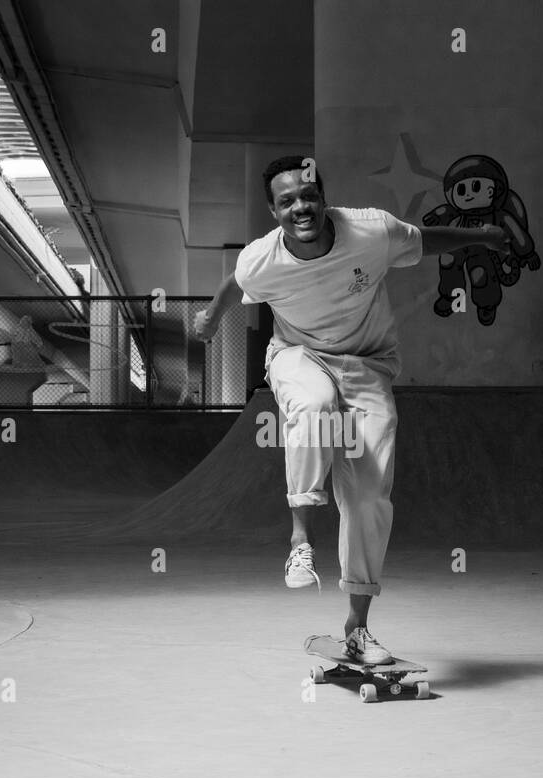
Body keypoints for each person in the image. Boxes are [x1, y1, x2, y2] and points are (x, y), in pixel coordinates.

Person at [191, 155, 512, 664]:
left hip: (367, 365)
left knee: (369, 494)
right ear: (273, 211)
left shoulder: (372, 231)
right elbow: (237, 285)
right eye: (286, 201)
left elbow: (426, 241)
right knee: (315, 404)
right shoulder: (261, 259)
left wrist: (485, 237)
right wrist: (210, 316)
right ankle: (300, 539)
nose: (301, 207)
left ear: (324, 195)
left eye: (308, 195)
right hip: (298, 357)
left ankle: (357, 628)